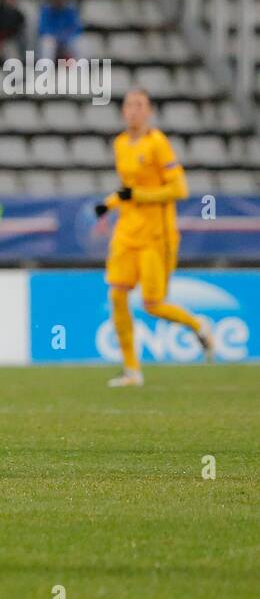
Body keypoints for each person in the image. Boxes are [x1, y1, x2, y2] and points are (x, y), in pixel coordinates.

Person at [97, 89, 213, 387]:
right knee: (117, 295)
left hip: (156, 236)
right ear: (123, 112)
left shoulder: (158, 143)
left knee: (153, 304)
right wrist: (107, 205)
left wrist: (139, 195)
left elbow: (179, 190)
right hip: (126, 232)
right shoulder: (120, 144)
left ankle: (198, 324)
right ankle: (132, 371)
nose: (133, 111)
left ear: (149, 112)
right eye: (129, 105)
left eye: (139, 106)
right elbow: (127, 188)